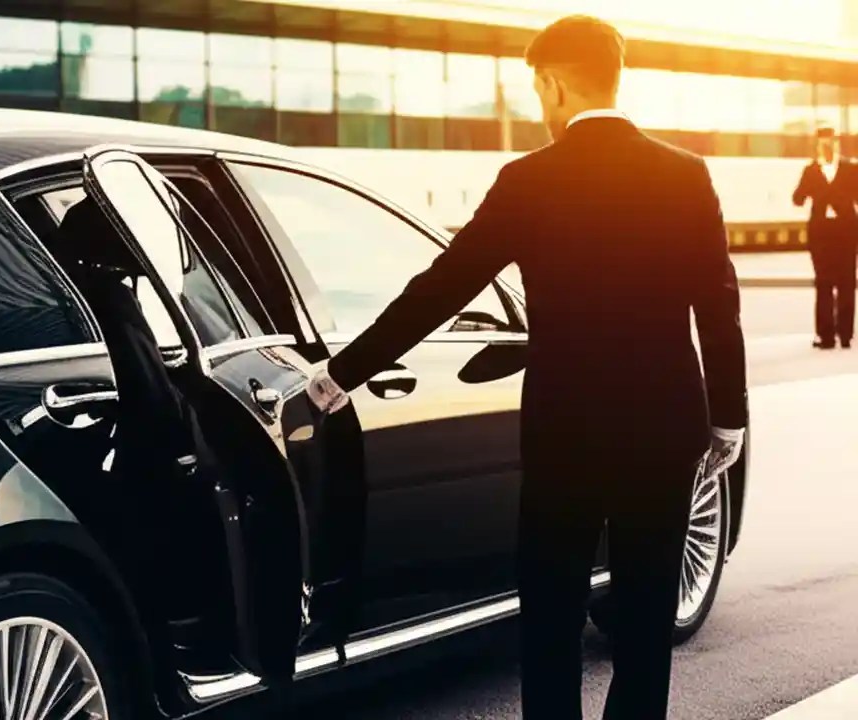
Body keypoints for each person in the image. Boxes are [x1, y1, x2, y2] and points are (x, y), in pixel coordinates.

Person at [305, 15, 747, 720]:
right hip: (662, 429)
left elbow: (440, 288)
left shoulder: (528, 180)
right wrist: (728, 416)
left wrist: (342, 373)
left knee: (551, 614)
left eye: (538, 91)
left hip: (563, 433)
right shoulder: (684, 175)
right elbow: (718, 307)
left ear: (554, 83)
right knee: (644, 616)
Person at [793, 125, 858, 349]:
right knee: (823, 284)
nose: (828, 146)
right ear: (818, 145)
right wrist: (813, 189)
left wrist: (840, 199)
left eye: (831, 142)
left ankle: (846, 334)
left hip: (847, 232)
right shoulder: (811, 170)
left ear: (837, 143)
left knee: (847, 283)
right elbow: (798, 198)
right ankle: (826, 335)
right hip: (821, 234)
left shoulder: (850, 168)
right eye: (823, 142)